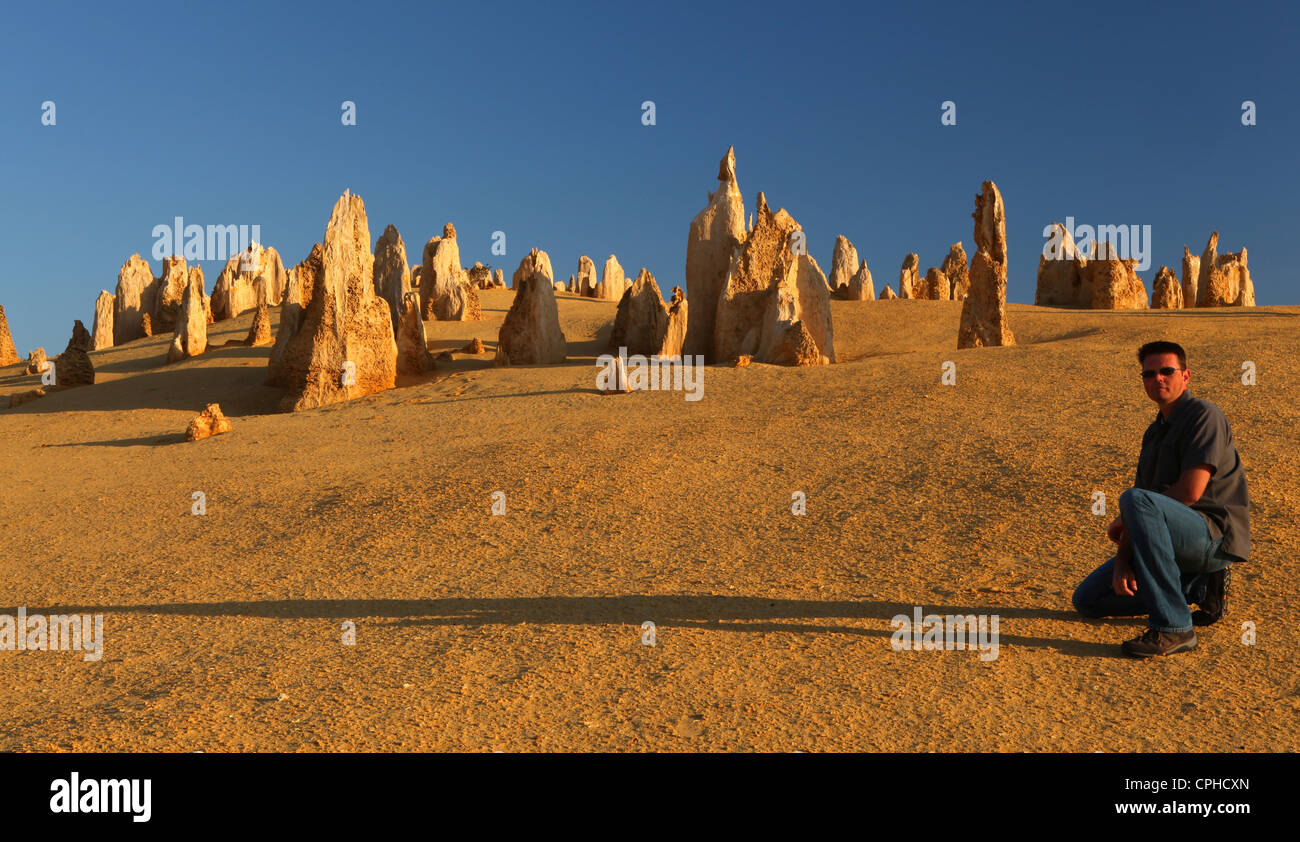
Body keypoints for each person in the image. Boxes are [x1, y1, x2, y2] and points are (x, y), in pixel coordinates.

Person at [1071, 340, 1250, 657]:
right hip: (1175, 541)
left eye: (1167, 371)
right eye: (1149, 374)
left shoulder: (1204, 416)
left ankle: (1174, 627)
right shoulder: (1154, 433)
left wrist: (1128, 516)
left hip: (1212, 536)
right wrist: (1124, 561)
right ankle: (1200, 587)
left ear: (1186, 375)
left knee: (1134, 500)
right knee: (1087, 600)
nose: (1157, 379)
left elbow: (1191, 492)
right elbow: (1145, 508)